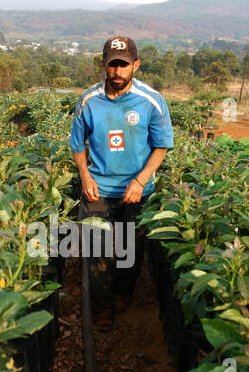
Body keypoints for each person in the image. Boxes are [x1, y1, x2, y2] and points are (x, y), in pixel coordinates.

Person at [69, 35, 173, 328]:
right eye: (112, 65)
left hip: (136, 190)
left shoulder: (151, 101)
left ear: (135, 66)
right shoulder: (89, 100)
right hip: (98, 188)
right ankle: (101, 310)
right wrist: (85, 176)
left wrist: (140, 181)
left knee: (131, 251)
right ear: (103, 65)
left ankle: (123, 293)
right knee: (96, 250)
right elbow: (78, 145)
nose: (118, 72)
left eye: (124, 65)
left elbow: (162, 145)